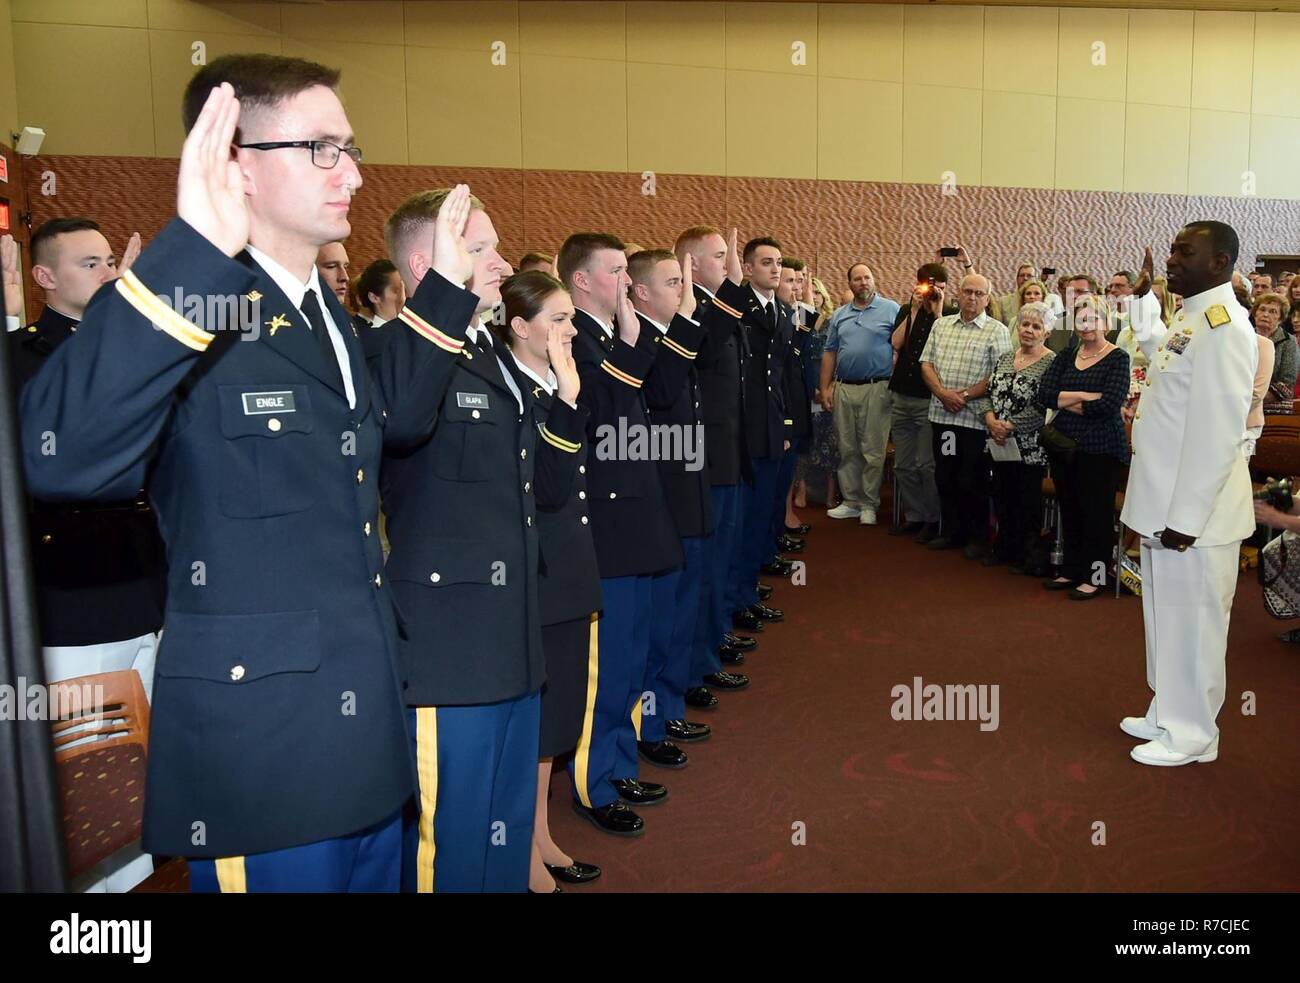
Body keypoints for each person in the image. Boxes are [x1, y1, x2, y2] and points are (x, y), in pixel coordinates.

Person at [19, 55, 483, 891]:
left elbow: (401, 420)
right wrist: (192, 249)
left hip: (364, 722)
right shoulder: (194, 310)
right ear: (236, 160)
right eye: (322, 148)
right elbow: (59, 452)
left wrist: (447, 286)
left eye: (351, 147)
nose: (351, 170)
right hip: (262, 745)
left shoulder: (328, 320)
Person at [379, 187, 590, 892]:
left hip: (511, 638)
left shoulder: (492, 356)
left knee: (501, 829)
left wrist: (565, 395)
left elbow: (548, 493)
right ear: (427, 262)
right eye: (479, 250)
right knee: (451, 842)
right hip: (450, 649)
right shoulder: (398, 354)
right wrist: (439, 298)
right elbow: (403, 423)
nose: (502, 263)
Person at [4, 219, 164, 894]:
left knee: (157, 774)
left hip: (151, 588)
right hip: (73, 600)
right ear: (44, 278)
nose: (106, 273)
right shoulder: (22, 357)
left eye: (109, 262)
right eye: (89, 263)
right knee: (92, 785)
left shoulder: (135, 354)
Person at [559, 231, 685, 836]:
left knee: (632, 653)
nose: (625, 284)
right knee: (605, 664)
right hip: (605, 522)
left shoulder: (613, 334)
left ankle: (620, 760)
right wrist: (632, 346)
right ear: (582, 280)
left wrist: (642, 338)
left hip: (639, 512)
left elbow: (659, 398)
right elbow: (600, 414)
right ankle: (594, 780)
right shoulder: (573, 337)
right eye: (614, 272)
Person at [1119, 224, 1257, 766]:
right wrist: (1140, 305)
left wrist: (1188, 517)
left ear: (1219, 262)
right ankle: (1167, 710)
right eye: (1173, 250)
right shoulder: (1193, 315)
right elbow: (1162, 357)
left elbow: (1218, 432)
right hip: (1163, 503)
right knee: (1165, 617)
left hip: (1194, 516)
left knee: (1194, 625)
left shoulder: (1226, 327)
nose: (1173, 260)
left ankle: (1195, 733)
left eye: (1184, 252)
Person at [493, 270, 602, 894]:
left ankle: (540, 834)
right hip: (534, 576)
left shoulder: (547, 384)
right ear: (520, 328)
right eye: (558, 320)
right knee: (532, 721)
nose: (569, 329)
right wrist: (566, 395)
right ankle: (522, 848)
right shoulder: (517, 391)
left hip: (566, 571)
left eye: (569, 318)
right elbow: (553, 489)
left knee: (557, 716)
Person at [627, 248, 713, 771]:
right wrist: (684, 321)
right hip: (660, 496)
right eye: (672, 282)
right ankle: (650, 720)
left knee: (681, 611)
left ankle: (670, 705)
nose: (683, 292)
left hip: (686, 487)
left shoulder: (664, 336)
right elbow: (659, 392)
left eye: (683, 281)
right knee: (658, 622)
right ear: (641, 293)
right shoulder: (638, 338)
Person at [673, 225, 755, 711]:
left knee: (721, 560)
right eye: (720, 256)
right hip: (706, 457)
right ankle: (701, 658)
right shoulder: (695, 310)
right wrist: (734, 291)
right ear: (692, 263)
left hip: (726, 452)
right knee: (703, 567)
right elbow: (703, 351)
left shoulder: (712, 305)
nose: (728, 264)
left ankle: (714, 641)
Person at [1037, 294, 1130, 599]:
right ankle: (1072, 571)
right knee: (1071, 508)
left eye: (1093, 319)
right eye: (1081, 320)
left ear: (1105, 321)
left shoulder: (1118, 357)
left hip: (1100, 447)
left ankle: (1096, 576)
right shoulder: (1066, 355)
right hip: (1064, 446)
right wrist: (1087, 395)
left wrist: (1070, 399)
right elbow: (1047, 394)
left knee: (1097, 514)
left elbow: (1109, 405)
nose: (1087, 325)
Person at [919, 272, 1011, 557]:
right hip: (944, 418)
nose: (972, 297)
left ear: (987, 298)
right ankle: (951, 532)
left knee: (972, 479)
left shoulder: (997, 330)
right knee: (945, 476)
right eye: (968, 291)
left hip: (974, 421)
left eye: (979, 293)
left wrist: (965, 395)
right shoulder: (942, 325)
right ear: (958, 294)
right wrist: (943, 394)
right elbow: (926, 364)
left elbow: (999, 374)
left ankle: (977, 537)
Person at [819, 262, 900, 525]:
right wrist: (825, 387)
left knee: (873, 450)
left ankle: (869, 504)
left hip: (877, 388)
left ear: (874, 280)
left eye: (867, 277)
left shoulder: (891, 309)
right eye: (857, 279)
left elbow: (900, 348)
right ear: (850, 284)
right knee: (847, 448)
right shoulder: (840, 315)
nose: (863, 282)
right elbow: (829, 353)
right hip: (843, 388)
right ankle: (851, 502)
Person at [983, 302, 1055, 574]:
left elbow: (1044, 405)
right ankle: (1003, 548)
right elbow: (988, 394)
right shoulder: (1004, 358)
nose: (1029, 330)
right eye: (1025, 324)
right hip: (1000, 443)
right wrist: (991, 420)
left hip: (1030, 446)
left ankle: (1028, 556)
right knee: (1002, 497)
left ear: (1046, 333)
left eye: (1036, 326)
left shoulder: (1051, 362)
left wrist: (1010, 425)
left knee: (1026, 503)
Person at [888, 263, 953, 541]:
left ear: (945, 287)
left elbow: (944, 348)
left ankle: (933, 517)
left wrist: (937, 311)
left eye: (937, 285)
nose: (931, 290)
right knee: (902, 464)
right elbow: (896, 343)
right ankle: (914, 515)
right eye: (927, 285)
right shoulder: (907, 310)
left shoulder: (950, 315)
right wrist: (914, 310)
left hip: (929, 398)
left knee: (926, 465)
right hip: (902, 392)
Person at [795, 276, 838, 509]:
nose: (814, 296)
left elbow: (838, 356)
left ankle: (831, 494)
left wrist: (827, 389)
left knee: (829, 444)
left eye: (817, 292)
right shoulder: (800, 318)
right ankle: (800, 492)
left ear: (824, 296)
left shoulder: (834, 321)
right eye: (809, 292)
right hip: (804, 387)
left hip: (829, 389)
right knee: (804, 443)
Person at [1251, 292, 1297, 401]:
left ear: (1280, 318)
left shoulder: (1288, 341)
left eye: (1273, 312)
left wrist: (1255, 398)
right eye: (1262, 309)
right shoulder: (1244, 337)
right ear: (1255, 313)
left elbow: (1287, 382)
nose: (1266, 314)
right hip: (1241, 395)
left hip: (1273, 400)